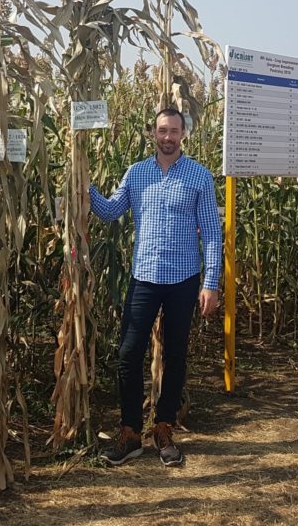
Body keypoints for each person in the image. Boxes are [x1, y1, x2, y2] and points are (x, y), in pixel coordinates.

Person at [89, 107, 223, 467]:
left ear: (183, 134)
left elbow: (212, 234)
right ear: (153, 133)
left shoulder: (199, 176)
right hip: (145, 276)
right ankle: (131, 432)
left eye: (174, 131)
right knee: (128, 354)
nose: (168, 137)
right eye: (162, 130)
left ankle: (164, 428)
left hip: (183, 279)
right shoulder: (137, 173)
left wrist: (211, 282)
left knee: (175, 355)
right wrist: (83, 184)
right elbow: (109, 211)